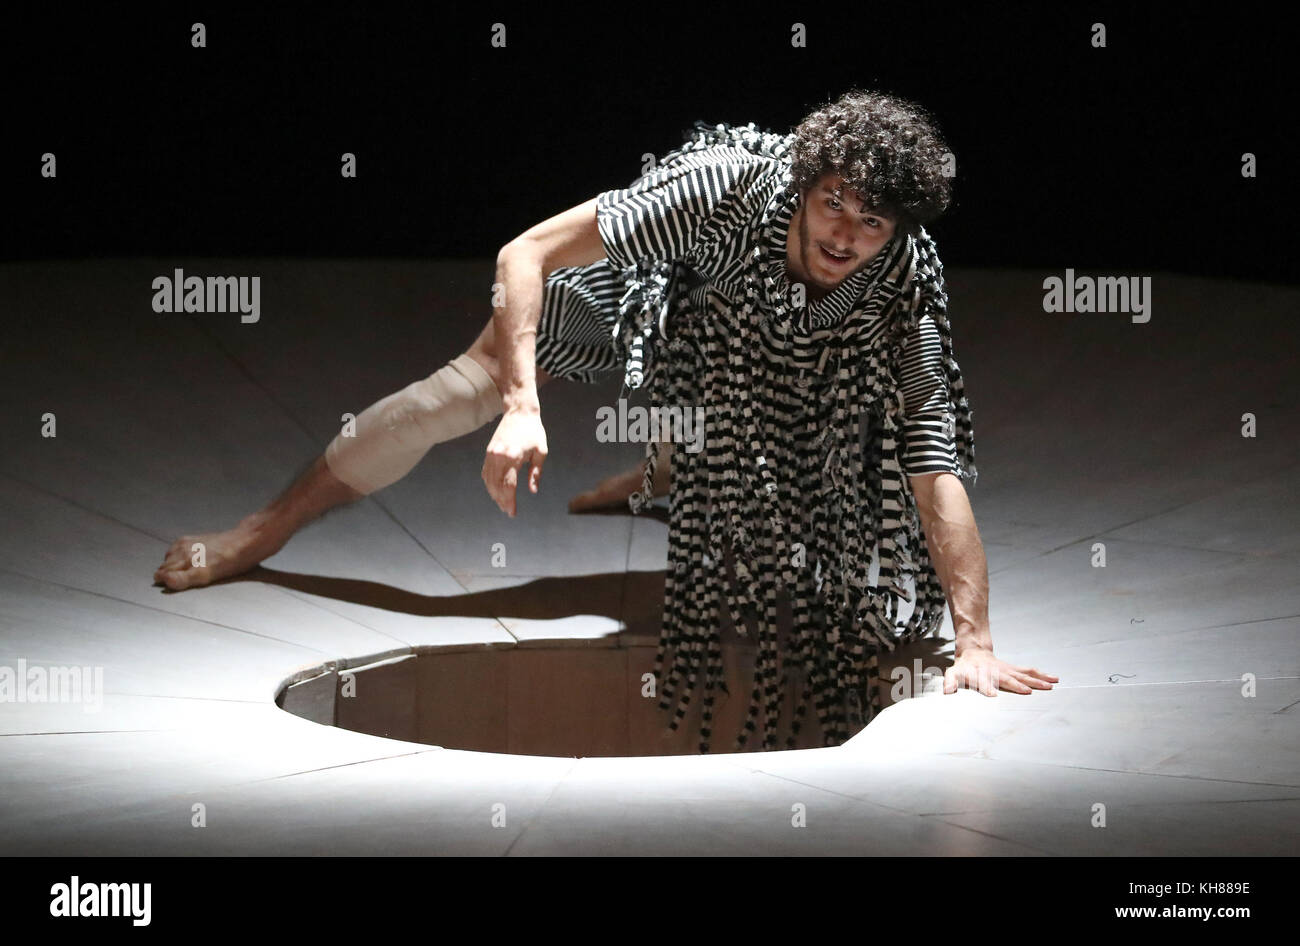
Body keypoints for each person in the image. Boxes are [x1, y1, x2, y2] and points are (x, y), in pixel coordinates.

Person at [154, 89, 1057, 751]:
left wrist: (973, 641)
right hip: (635, 304)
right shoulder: (723, 188)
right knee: (453, 397)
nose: (846, 237)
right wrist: (518, 405)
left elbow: (933, 467)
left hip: (761, 360)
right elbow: (528, 251)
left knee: (767, 419)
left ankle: (662, 468)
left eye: (872, 225)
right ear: (804, 184)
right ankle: (258, 532)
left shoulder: (901, 292)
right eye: (833, 206)